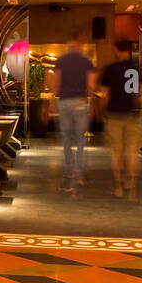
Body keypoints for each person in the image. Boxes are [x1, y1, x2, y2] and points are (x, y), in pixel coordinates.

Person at [100, 39, 142, 199]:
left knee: (117, 151)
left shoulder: (110, 69)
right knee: (132, 151)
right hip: (133, 114)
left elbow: (104, 95)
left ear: (116, 49)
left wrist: (102, 112)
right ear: (129, 50)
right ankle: (131, 181)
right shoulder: (138, 68)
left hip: (114, 113)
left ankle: (119, 186)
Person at [51, 30, 95, 192]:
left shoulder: (61, 61)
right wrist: (85, 96)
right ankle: (80, 175)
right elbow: (91, 86)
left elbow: (56, 83)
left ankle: (69, 172)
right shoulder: (86, 62)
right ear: (80, 43)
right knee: (81, 140)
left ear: (69, 43)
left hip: (64, 103)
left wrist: (52, 100)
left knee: (67, 140)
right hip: (80, 103)